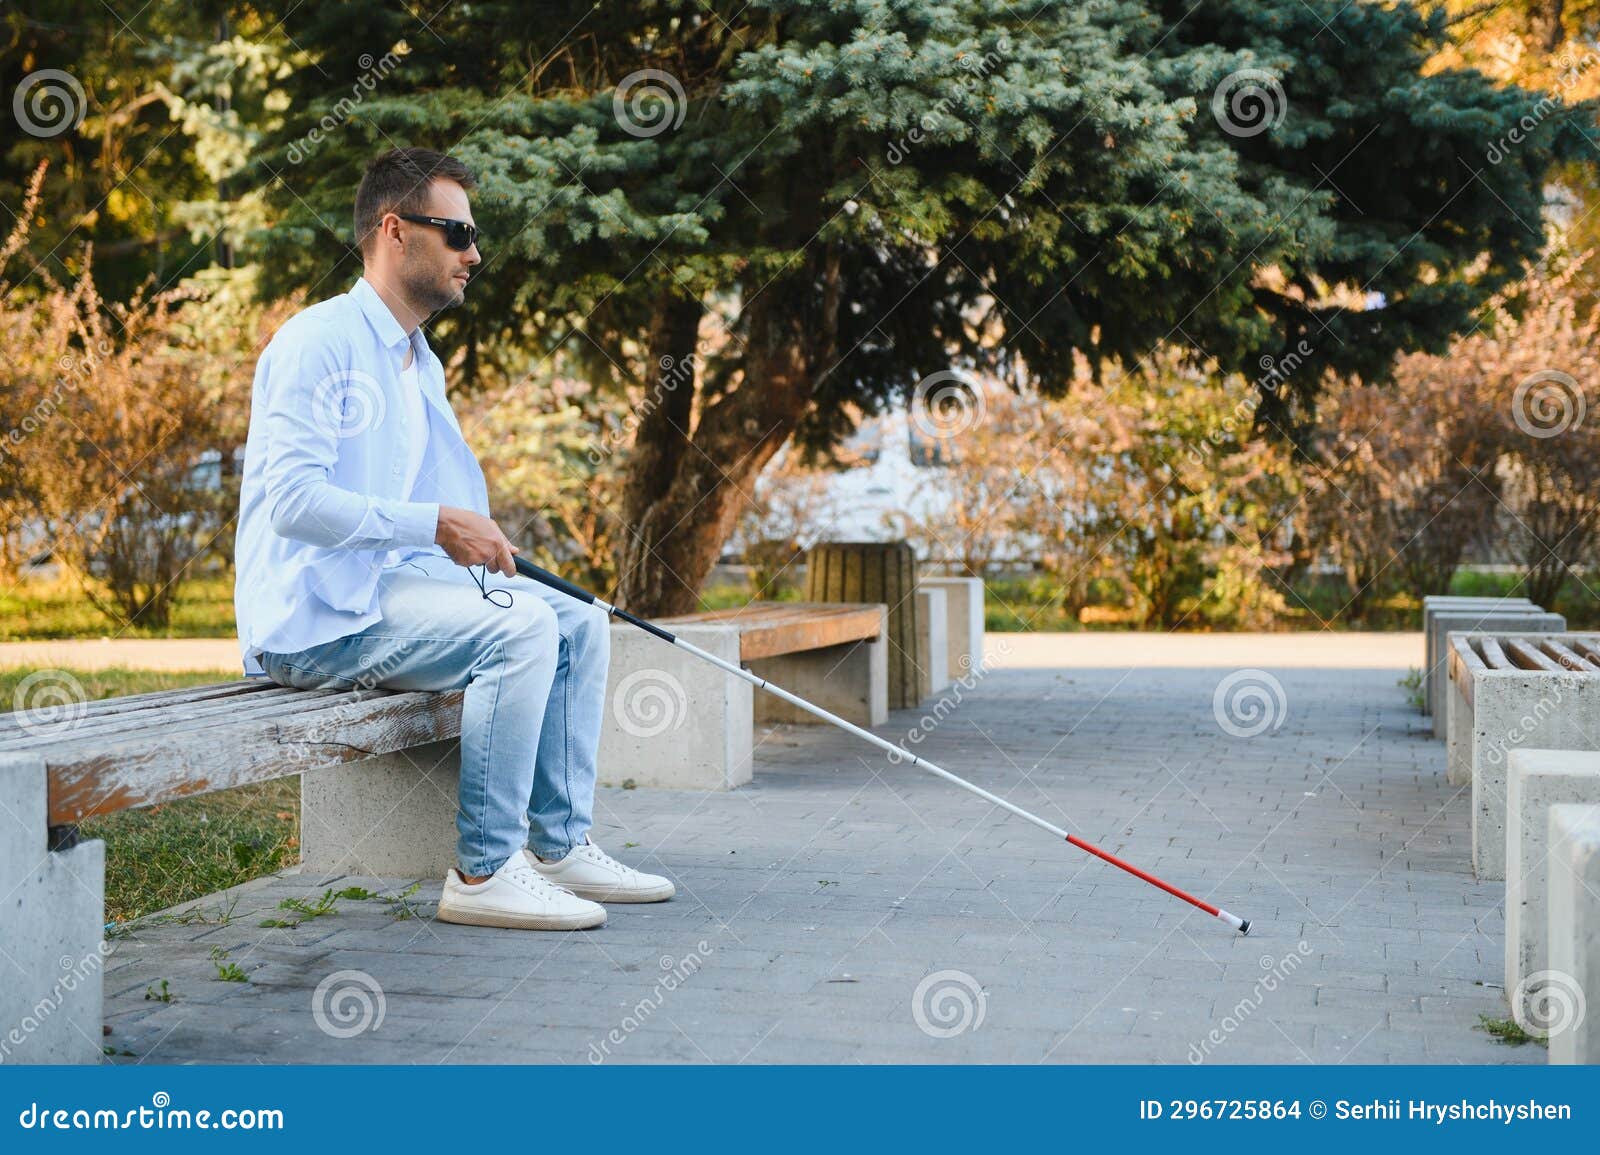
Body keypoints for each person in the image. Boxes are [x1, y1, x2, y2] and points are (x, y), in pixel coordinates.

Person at [233, 146, 672, 931]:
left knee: (574, 618)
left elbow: (431, 508)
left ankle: (559, 846)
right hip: (311, 621)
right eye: (458, 233)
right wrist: (437, 525)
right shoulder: (318, 341)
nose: (475, 253)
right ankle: (483, 872)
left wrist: (475, 554)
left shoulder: (415, 359)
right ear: (394, 230)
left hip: (383, 594)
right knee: (520, 628)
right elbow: (293, 504)